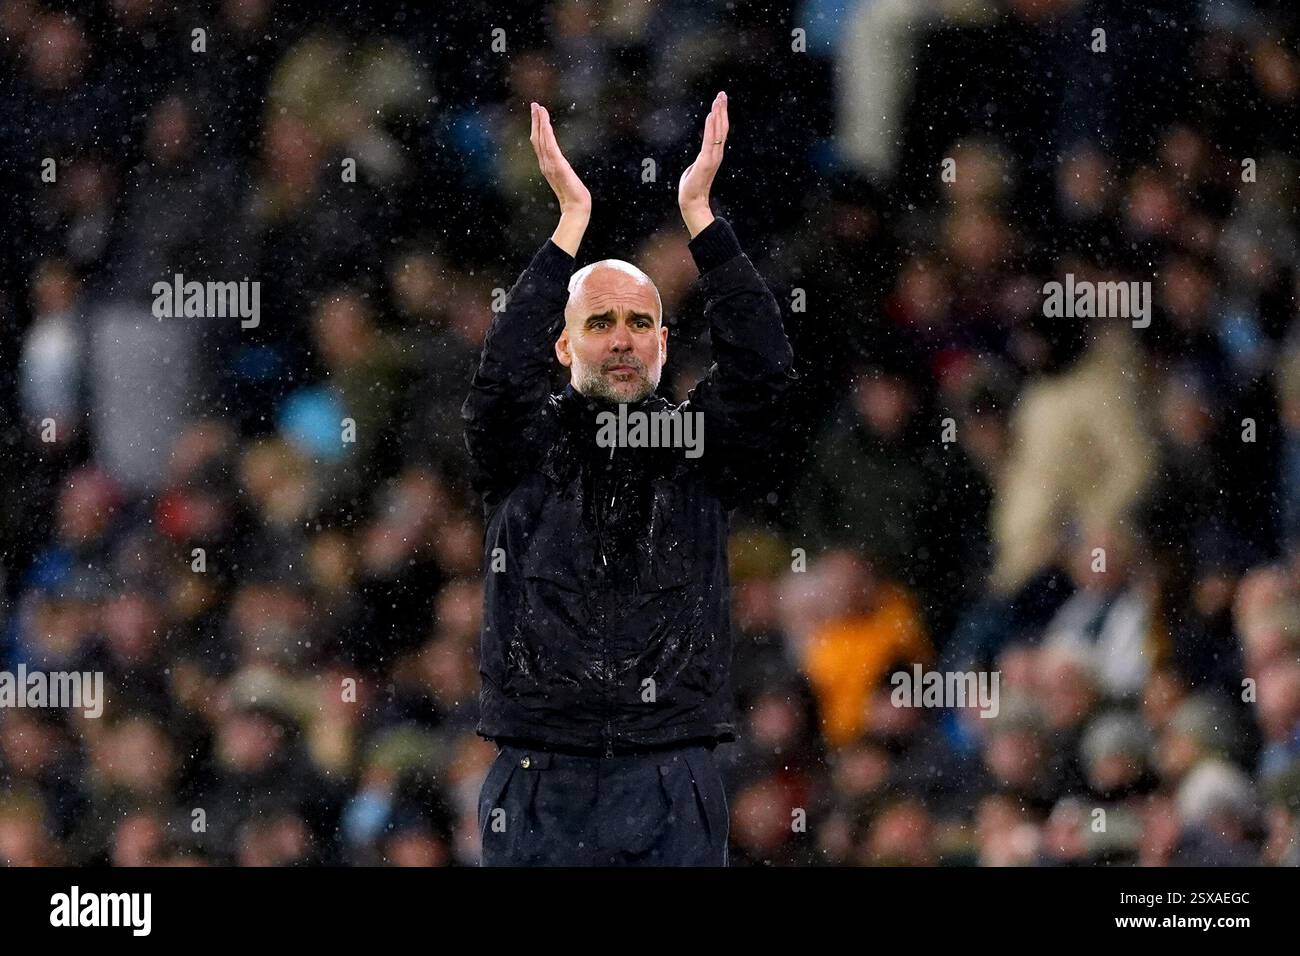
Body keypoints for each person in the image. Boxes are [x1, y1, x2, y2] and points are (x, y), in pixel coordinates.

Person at [463, 92, 796, 865]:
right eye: (600, 322)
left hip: (669, 771)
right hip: (538, 772)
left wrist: (702, 222)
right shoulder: (519, 445)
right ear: (563, 346)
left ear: (663, 342)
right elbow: (499, 383)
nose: (621, 339)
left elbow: (764, 374)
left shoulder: (697, 443)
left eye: (639, 322)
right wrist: (566, 230)